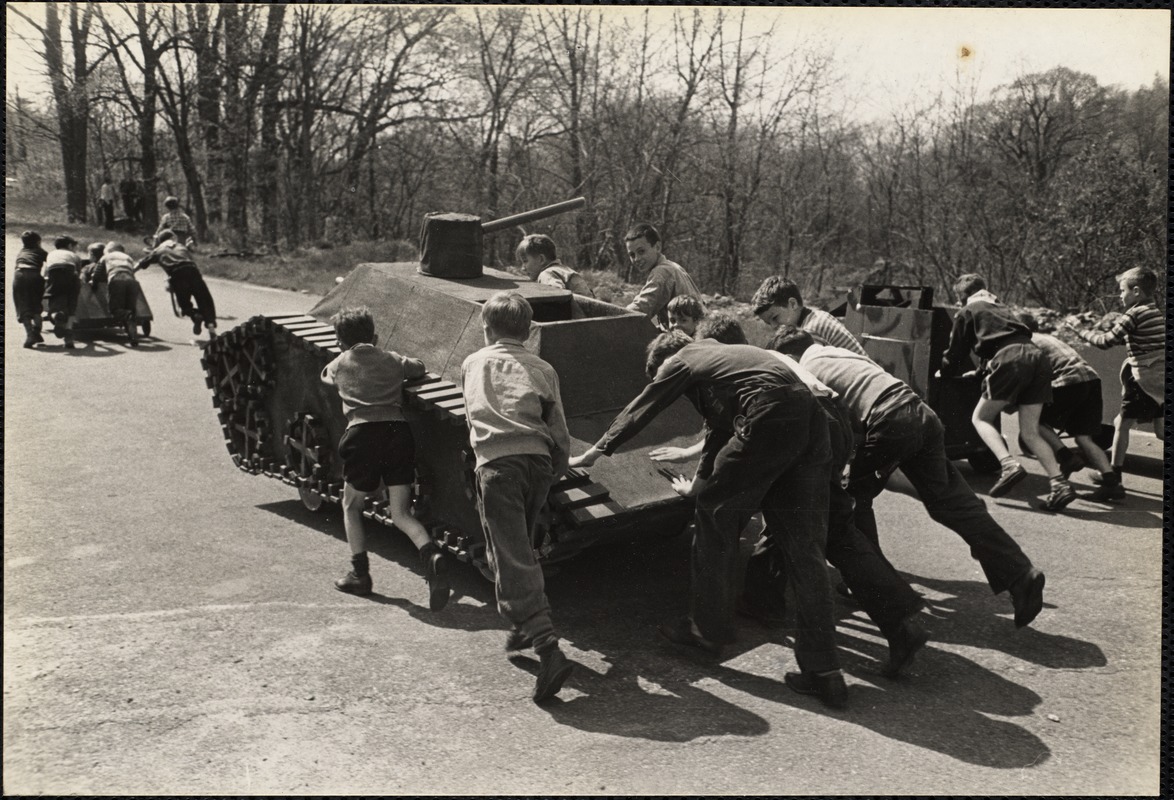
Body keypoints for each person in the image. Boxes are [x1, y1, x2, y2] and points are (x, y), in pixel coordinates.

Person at [572, 331, 849, 710]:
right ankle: (825, 672)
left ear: (664, 362)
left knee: (716, 517)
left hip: (768, 410)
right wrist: (701, 484)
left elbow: (645, 404)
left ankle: (707, 628)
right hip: (811, 419)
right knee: (805, 549)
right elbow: (722, 428)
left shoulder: (683, 358)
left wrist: (597, 451)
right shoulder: (727, 357)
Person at [656, 315, 929, 677]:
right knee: (835, 530)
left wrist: (697, 484)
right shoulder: (758, 357)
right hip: (830, 418)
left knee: (732, 518)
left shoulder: (715, 365)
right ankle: (899, 620)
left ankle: (708, 629)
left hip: (793, 422)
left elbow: (726, 430)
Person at [772, 325, 1047, 630]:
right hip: (919, 411)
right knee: (950, 502)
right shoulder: (841, 353)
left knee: (850, 501)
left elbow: (832, 426)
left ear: (789, 356)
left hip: (888, 419)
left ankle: (874, 589)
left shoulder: (805, 368)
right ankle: (1021, 574)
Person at [461, 291, 575, 703]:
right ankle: (523, 626)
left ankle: (548, 649)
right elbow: (559, 431)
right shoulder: (544, 368)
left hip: (498, 465)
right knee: (519, 548)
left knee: (509, 555)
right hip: (539, 463)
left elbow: (472, 414)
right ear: (528, 332)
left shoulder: (474, 362)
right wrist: (555, 468)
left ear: (486, 330)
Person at [319, 307, 450, 609]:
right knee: (401, 512)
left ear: (339, 341)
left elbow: (326, 376)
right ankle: (432, 554)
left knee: (351, 505)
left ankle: (360, 575)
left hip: (362, 434)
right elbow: (417, 367)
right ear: (375, 337)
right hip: (397, 432)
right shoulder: (392, 359)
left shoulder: (339, 362)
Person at [939, 274, 1075, 511]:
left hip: (1010, 358)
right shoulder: (1001, 308)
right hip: (1037, 358)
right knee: (1031, 432)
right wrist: (982, 372)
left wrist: (945, 372)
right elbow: (1002, 339)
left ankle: (1008, 464)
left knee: (980, 418)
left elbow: (956, 351)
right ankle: (1059, 483)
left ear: (962, 296)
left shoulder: (967, 310)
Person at [1067, 267, 1165, 491]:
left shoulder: (1134, 314)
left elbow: (1105, 342)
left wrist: (1078, 329)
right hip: (1160, 377)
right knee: (1159, 431)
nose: (1120, 295)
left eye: (1122, 290)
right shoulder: (1154, 311)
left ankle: (1114, 476)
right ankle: (1113, 474)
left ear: (1136, 291)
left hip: (1144, 378)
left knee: (1122, 424)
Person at [1016, 315, 1120, 501]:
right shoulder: (1049, 338)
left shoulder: (1026, 342)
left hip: (1069, 380)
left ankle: (1066, 456)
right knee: (1083, 438)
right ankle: (1112, 483)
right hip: (1091, 379)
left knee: (1036, 421)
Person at [751, 275, 869, 357]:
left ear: (792, 304)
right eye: (768, 323)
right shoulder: (815, 316)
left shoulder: (811, 329)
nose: (773, 326)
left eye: (775, 317)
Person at [623, 222, 705, 331]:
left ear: (657, 247)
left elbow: (640, 309)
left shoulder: (662, 272)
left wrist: (610, 318)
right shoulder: (672, 266)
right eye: (632, 255)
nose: (637, 259)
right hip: (697, 331)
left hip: (693, 338)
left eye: (641, 251)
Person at [136, 231, 217, 338]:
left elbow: (142, 263)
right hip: (193, 271)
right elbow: (189, 258)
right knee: (204, 299)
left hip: (177, 274)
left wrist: (130, 271)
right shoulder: (181, 246)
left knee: (184, 304)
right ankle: (211, 328)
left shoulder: (158, 250)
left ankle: (195, 314)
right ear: (172, 238)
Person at [516, 234, 594, 297]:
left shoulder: (546, 274)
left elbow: (555, 295)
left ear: (541, 259)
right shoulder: (563, 270)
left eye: (525, 261)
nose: (523, 268)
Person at [42, 235, 83, 350]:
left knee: (54, 301)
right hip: (70, 273)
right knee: (71, 304)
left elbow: (46, 273)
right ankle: (68, 335)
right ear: (70, 246)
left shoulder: (50, 254)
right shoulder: (74, 255)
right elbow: (78, 273)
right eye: (74, 246)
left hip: (54, 274)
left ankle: (56, 316)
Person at [101, 242, 144, 346]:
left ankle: (127, 315)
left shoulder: (106, 256)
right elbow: (131, 270)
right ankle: (133, 336)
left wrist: (94, 282)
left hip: (117, 279)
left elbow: (98, 271)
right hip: (132, 281)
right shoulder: (128, 257)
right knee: (130, 308)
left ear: (109, 250)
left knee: (114, 309)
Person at [13, 230, 48, 349]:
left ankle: (29, 335)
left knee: (23, 307)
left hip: (19, 275)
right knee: (35, 306)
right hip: (35, 275)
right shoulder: (40, 251)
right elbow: (51, 263)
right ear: (38, 242)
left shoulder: (21, 252)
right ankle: (37, 331)